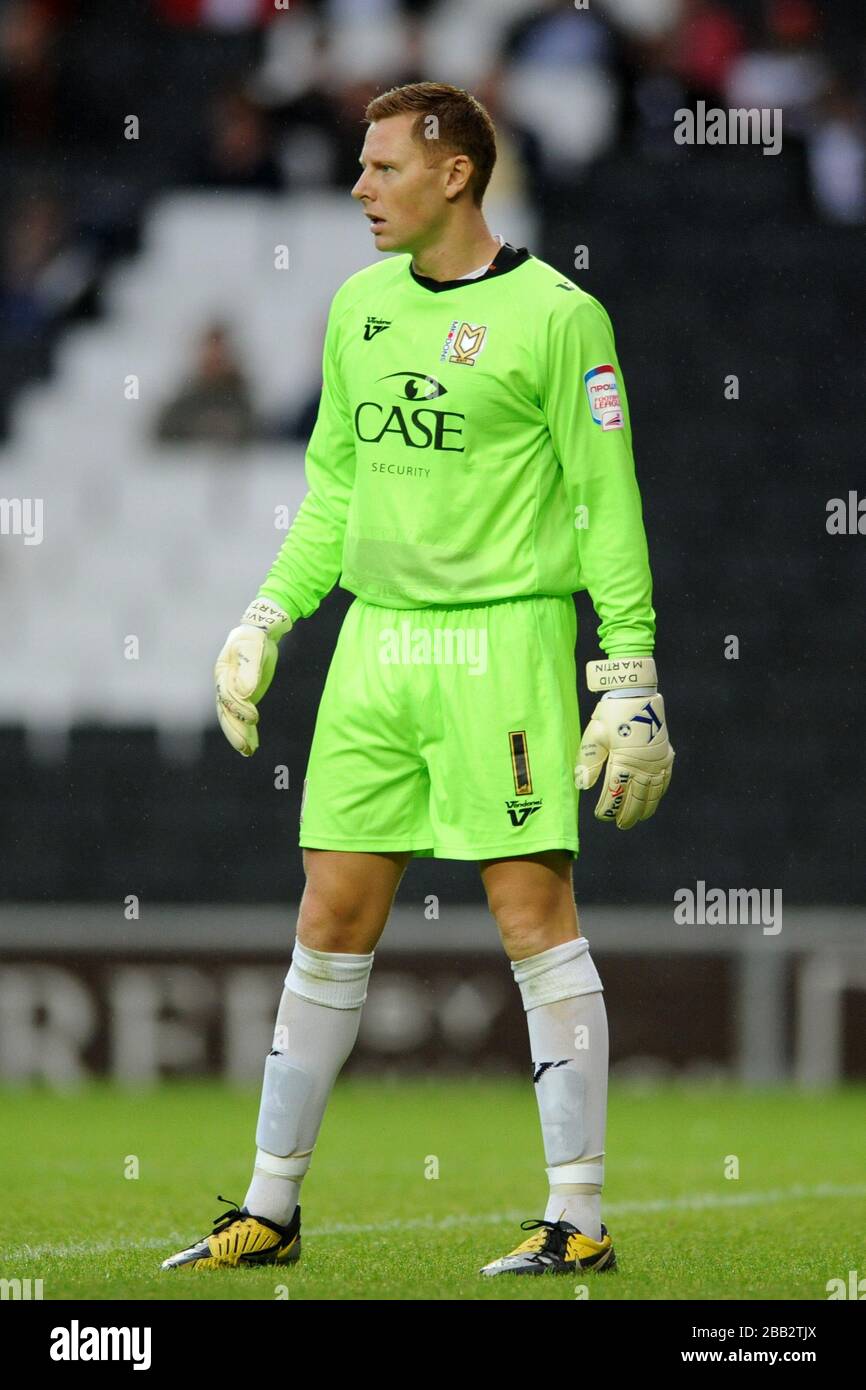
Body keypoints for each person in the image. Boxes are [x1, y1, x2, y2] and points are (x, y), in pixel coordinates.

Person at [162, 80, 673, 1277]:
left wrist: (629, 665)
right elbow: (333, 492)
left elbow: (606, 501)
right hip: (376, 645)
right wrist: (267, 614)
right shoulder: (358, 310)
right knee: (328, 912)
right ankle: (271, 1208)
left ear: (454, 174)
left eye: (381, 168)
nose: (358, 189)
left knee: (530, 914)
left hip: (503, 638)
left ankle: (577, 1214)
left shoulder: (558, 317)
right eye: (359, 165)